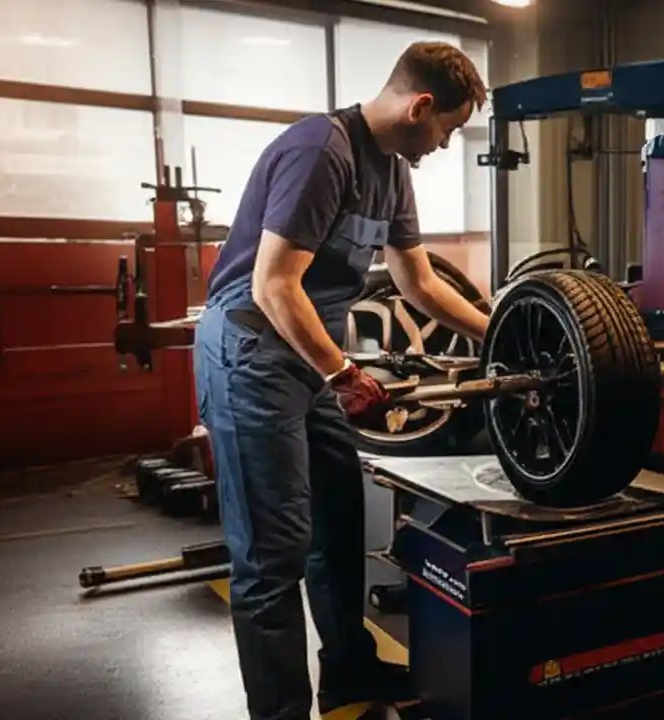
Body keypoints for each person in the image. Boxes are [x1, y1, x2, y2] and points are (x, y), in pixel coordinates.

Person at [192, 42, 491, 720]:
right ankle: (280, 710)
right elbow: (273, 285)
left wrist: (499, 331)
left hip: (306, 354)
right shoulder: (321, 151)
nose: (444, 145)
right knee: (274, 554)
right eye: (448, 127)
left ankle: (348, 673)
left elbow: (418, 283)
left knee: (337, 519)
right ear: (421, 106)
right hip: (251, 351)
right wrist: (345, 373)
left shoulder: (391, 171)